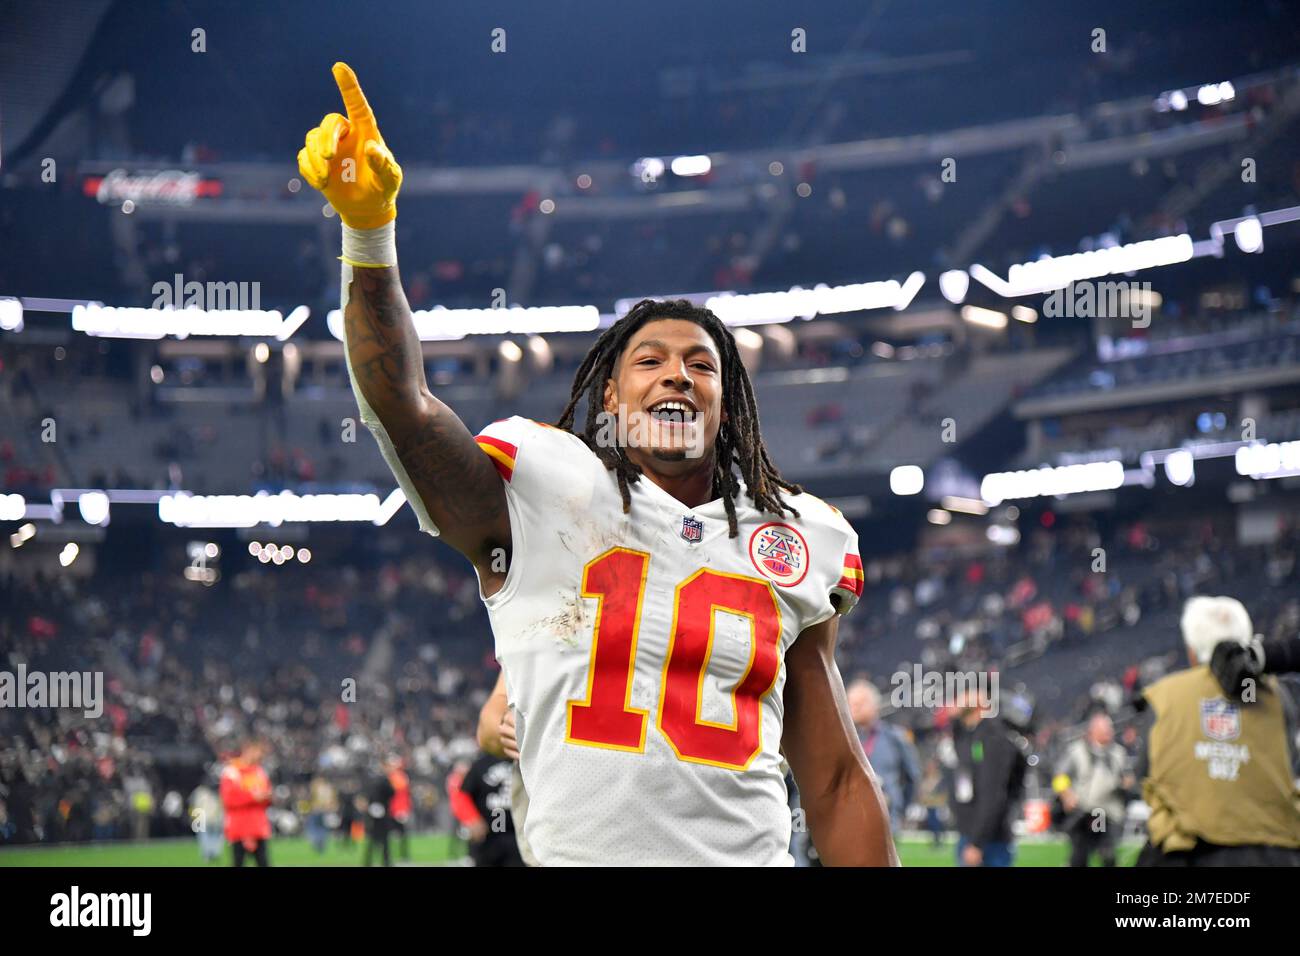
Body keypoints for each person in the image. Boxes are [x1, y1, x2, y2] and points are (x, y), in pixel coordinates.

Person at [297, 63, 896, 867]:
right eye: (650, 360)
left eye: (703, 364)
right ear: (610, 394)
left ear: (730, 403)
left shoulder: (796, 536)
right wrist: (368, 234)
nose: (678, 373)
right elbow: (399, 404)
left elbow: (834, 785)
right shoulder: (544, 485)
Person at [1135, 596, 1300, 866]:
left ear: (1191, 650)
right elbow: (1291, 765)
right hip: (1273, 851)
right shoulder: (1278, 697)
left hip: (1190, 853)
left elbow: (1144, 772)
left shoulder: (1164, 696)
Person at [948, 688, 1030, 867]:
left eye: (965, 692)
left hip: (990, 841)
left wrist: (977, 843)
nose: (957, 698)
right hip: (970, 834)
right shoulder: (968, 735)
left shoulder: (993, 738)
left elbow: (993, 795)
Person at [1052, 711, 1132, 867]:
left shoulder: (1118, 753)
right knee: (1081, 854)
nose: (1109, 733)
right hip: (1083, 811)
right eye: (1105, 730)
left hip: (1107, 812)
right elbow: (1059, 776)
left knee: (1106, 852)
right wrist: (1066, 794)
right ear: (1093, 731)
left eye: (1110, 730)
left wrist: (1127, 783)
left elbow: (1127, 777)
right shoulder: (1077, 751)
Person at [846, 680, 920, 832]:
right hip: (849, 819)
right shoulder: (841, 740)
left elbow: (913, 778)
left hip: (886, 820)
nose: (856, 708)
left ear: (875, 705)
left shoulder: (896, 738)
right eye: (851, 703)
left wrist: (899, 809)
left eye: (862, 703)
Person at [219, 740, 272, 867]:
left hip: (258, 826)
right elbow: (228, 800)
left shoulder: (259, 771)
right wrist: (253, 797)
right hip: (239, 827)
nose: (260, 755)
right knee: (238, 862)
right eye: (258, 751)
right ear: (247, 750)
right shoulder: (231, 772)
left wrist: (266, 797)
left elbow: (266, 797)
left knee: (263, 862)